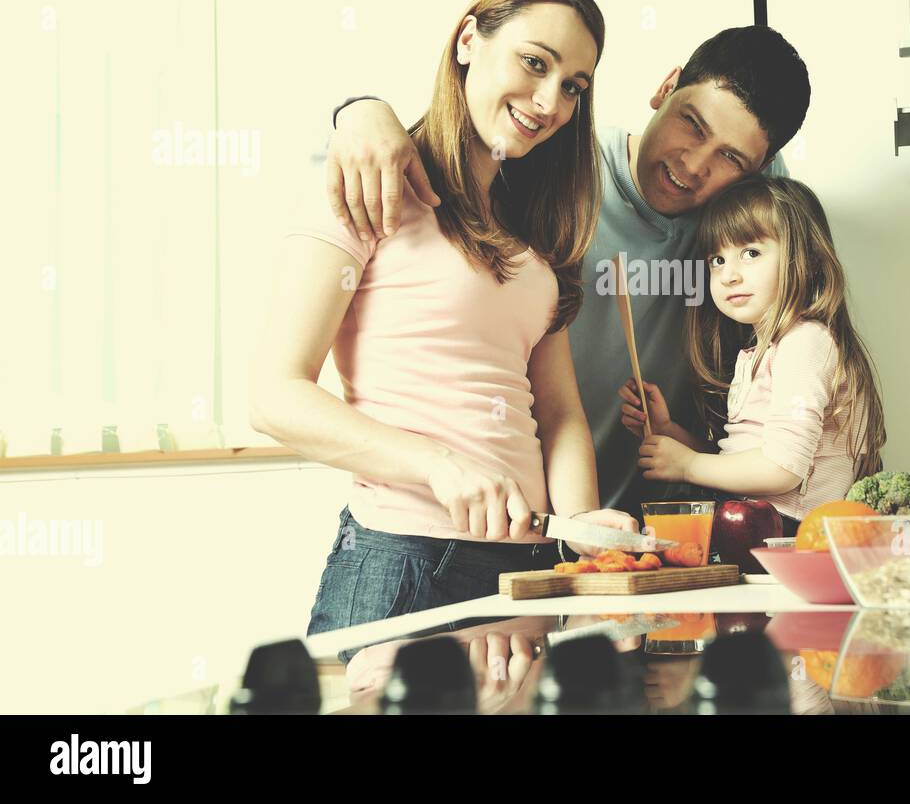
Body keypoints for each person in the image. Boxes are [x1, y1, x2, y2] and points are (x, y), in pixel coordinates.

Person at [249, 0, 638, 665]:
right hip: (404, 565)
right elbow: (275, 396)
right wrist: (440, 466)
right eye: (534, 62)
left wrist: (582, 537)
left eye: (574, 86)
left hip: (526, 574)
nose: (550, 101)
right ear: (468, 39)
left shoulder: (533, 237)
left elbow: (559, 412)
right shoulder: (369, 185)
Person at [325, 25, 811, 515]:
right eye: (693, 124)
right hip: (501, 512)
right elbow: (458, 135)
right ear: (666, 87)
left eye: (730, 157)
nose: (694, 164)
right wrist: (361, 110)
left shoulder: (749, 208)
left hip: (652, 522)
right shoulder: (556, 163)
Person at [620, 177, 886, 537]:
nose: (729, 275)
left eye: (751, 253)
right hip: (760, 525)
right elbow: (745, 460)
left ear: (804, 257)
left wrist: (689, 465)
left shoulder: (805, 343)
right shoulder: (759, 353)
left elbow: (781, 468)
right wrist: (671, 433)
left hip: (791, 533)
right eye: (717, 259)